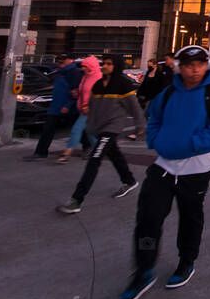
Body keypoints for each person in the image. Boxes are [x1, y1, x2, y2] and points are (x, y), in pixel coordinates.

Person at [118, 45, 210, 299]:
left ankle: (186, 261)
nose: (195, 69)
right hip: (164, 165)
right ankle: (144, 270)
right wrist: (157, 141)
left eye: (200, 64)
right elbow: (154, 118)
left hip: (197, 168)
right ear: (180, 65)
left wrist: (193, 144)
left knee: (191, 217)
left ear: (207, 65)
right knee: (148, 217)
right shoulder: (168, 92)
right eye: (190, 64)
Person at [57, 56, 146, 214]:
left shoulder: (123, 84)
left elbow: (134, 106)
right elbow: (93, 108)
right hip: (100, 127)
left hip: (113, 127)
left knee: (94, 159)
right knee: (114, 155)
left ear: (116, 66)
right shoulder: (98, 85)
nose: (104, 66)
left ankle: (77, 199)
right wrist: (91, 125)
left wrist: (140, 126)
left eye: (109, 63)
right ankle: (129, 180)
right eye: (103, 63)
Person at [26, 54, 82, 160]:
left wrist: (68, 105)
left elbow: (75, 92)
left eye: (64, 60)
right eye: (60, 60)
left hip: (68, 106)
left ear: (70, 60)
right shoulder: (59, 72)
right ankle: (41, 152)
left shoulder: (74, 73)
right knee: (48, 128)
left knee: (78, 128)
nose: (61, 62)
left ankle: (89, 147)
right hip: (56, 105)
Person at [57, 55, 102, 163]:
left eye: (85, 66)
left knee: (76, 130)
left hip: (91, 109)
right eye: (83, 66)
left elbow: (99, 96)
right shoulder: (86, 76)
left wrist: (87, 105)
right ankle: (101, 150)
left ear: (91, 66)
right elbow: (84, 91)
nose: (83, 68)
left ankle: (67, 153)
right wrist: (77, 92)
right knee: (90, 132)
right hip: (83, 108)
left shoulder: (98, 78)